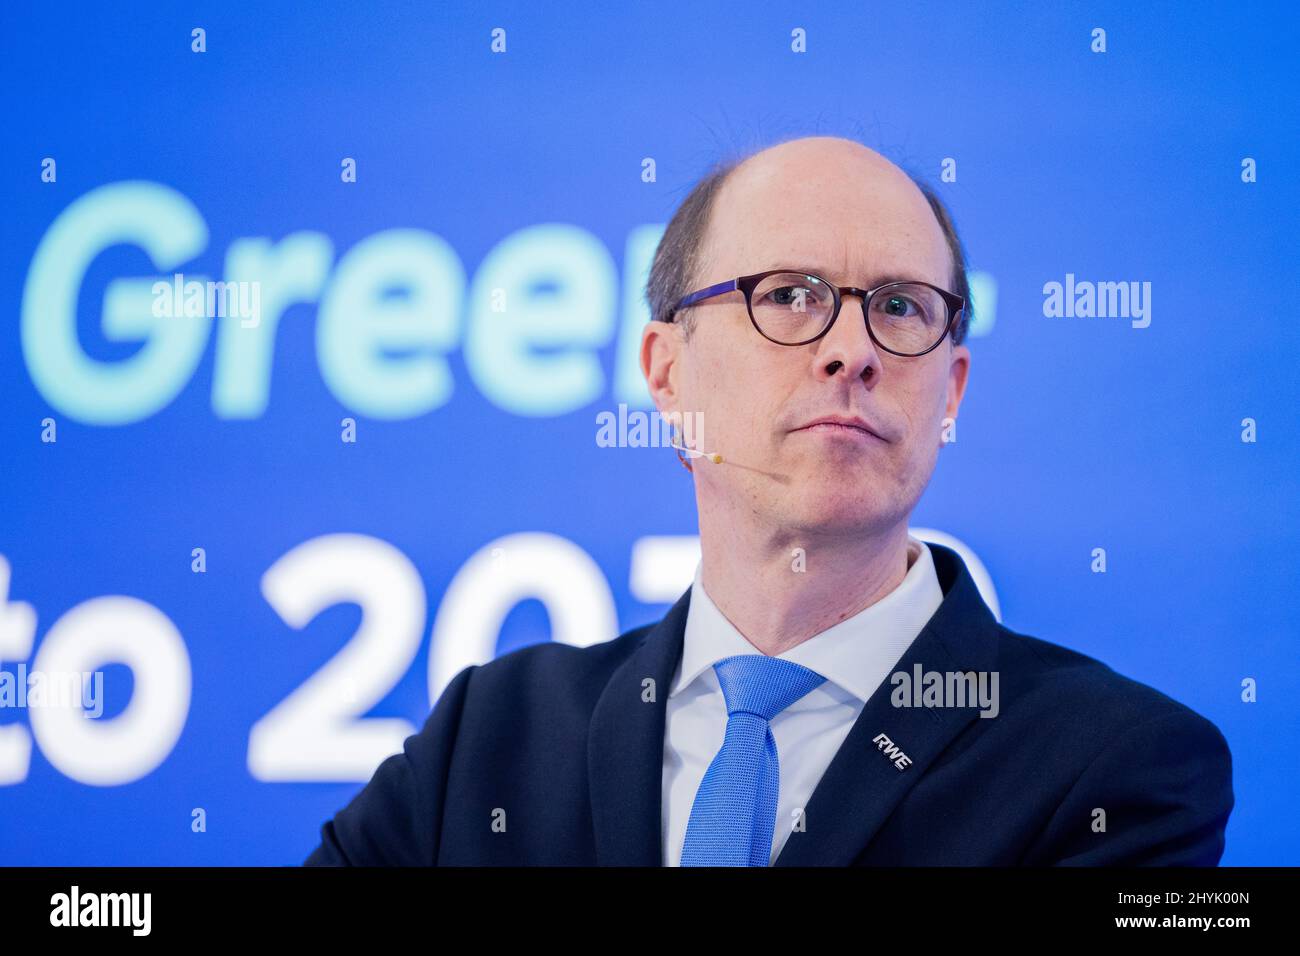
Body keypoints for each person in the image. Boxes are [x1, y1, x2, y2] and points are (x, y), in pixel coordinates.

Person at [304, 135, 1233, 866]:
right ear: (665, 372)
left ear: (949, 393)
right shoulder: (490, 739)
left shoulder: (1119, 767)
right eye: (790, 295)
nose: (852, 350)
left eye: (901, 307)